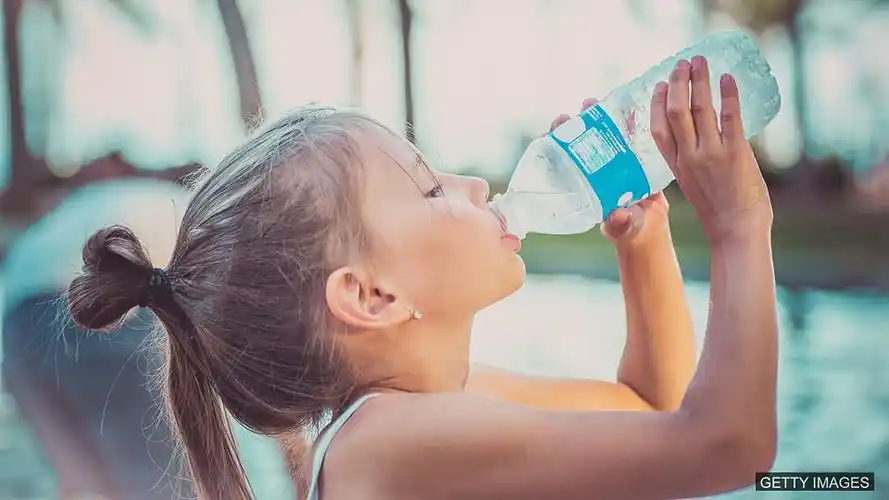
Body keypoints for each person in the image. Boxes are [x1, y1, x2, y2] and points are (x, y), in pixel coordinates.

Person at [66, 56, 778, 500]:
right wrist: (740, 228)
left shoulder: (426, 408)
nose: (472, 184)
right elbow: (728, 448)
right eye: (431, 190)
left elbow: (649, 410)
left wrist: (643, 242)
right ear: (370, 296)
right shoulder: (390, 443)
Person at [1, 179, 192, 499]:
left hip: (15, 320)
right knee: (159, 483)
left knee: (84, 484)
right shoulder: (212, 216)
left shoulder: (117, 197)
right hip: (93, 299)